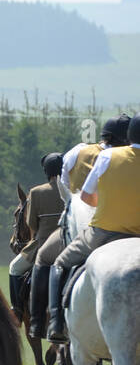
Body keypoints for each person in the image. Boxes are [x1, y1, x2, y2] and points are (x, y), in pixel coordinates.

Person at [28, 115, 131, 339]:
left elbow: (67, 192)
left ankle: (44, 322)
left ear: (104, 135)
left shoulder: (79, 152)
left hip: (95, 228)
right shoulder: (129, 155)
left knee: (47, 259)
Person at [9, 153, 63, 318]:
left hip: (43, 245)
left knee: (14, 268)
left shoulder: (36, 192)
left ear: (46, 171)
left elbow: (31, 223)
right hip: (70, 243)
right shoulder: (73, 190)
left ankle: (17, 310)